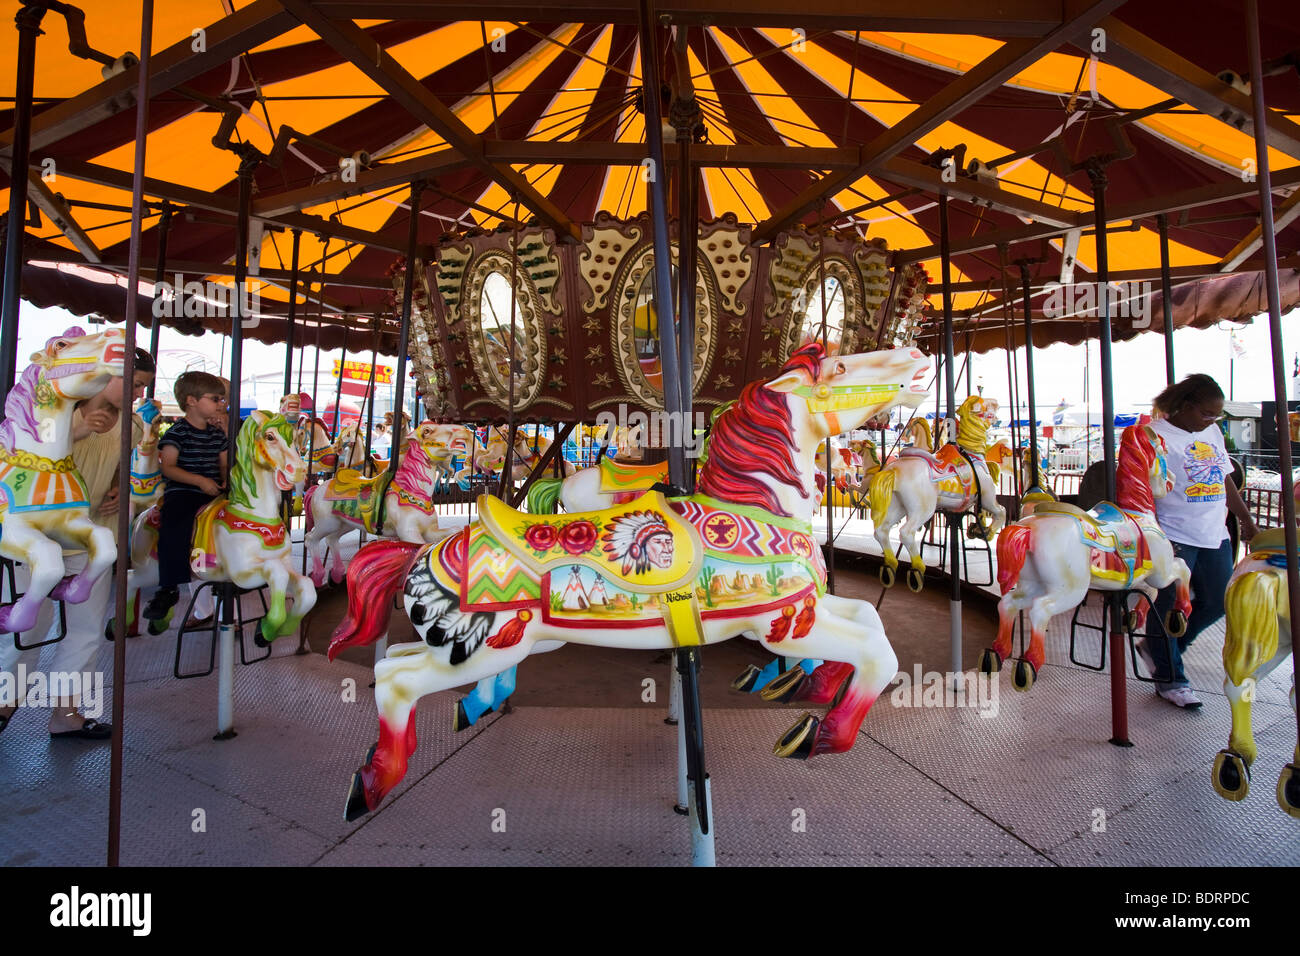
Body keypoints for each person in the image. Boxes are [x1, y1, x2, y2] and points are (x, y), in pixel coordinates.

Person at [0, 348, 157, 740]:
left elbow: (122, 465)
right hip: (37, 531)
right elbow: (24, 454)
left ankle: (66, 713)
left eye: (142, 386)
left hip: (91, 531)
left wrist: (120, 485)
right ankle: (4, 704)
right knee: (28, 630)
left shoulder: (132, 423)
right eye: (135, 384)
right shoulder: (55, 410)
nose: (139, 394)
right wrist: (79, 427)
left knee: (85, 631)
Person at [1139, 373, 1258, 709]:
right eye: (1206, 414)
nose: (1211, 421)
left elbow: (1224, 479)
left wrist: (1245, 519)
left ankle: (1162, 649)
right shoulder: (1154, 435)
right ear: (1186, 405)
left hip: (1213, 532)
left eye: (1216, 416)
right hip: (1174, 532)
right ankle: (1171, 679)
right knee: (1169, 605)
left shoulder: (1211, 432)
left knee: (1219, 600)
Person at [141, 371, 228, 622]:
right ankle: (168, 587)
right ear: (192, 401)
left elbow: (223, 463)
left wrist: (225, 479)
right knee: (175, 522)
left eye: (221, 399)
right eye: (215, 399)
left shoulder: (216, 434)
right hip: (185, 492)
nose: (220, 404)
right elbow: (168, 467)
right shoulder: (177, 432)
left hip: (214, 494)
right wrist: (200, 481)